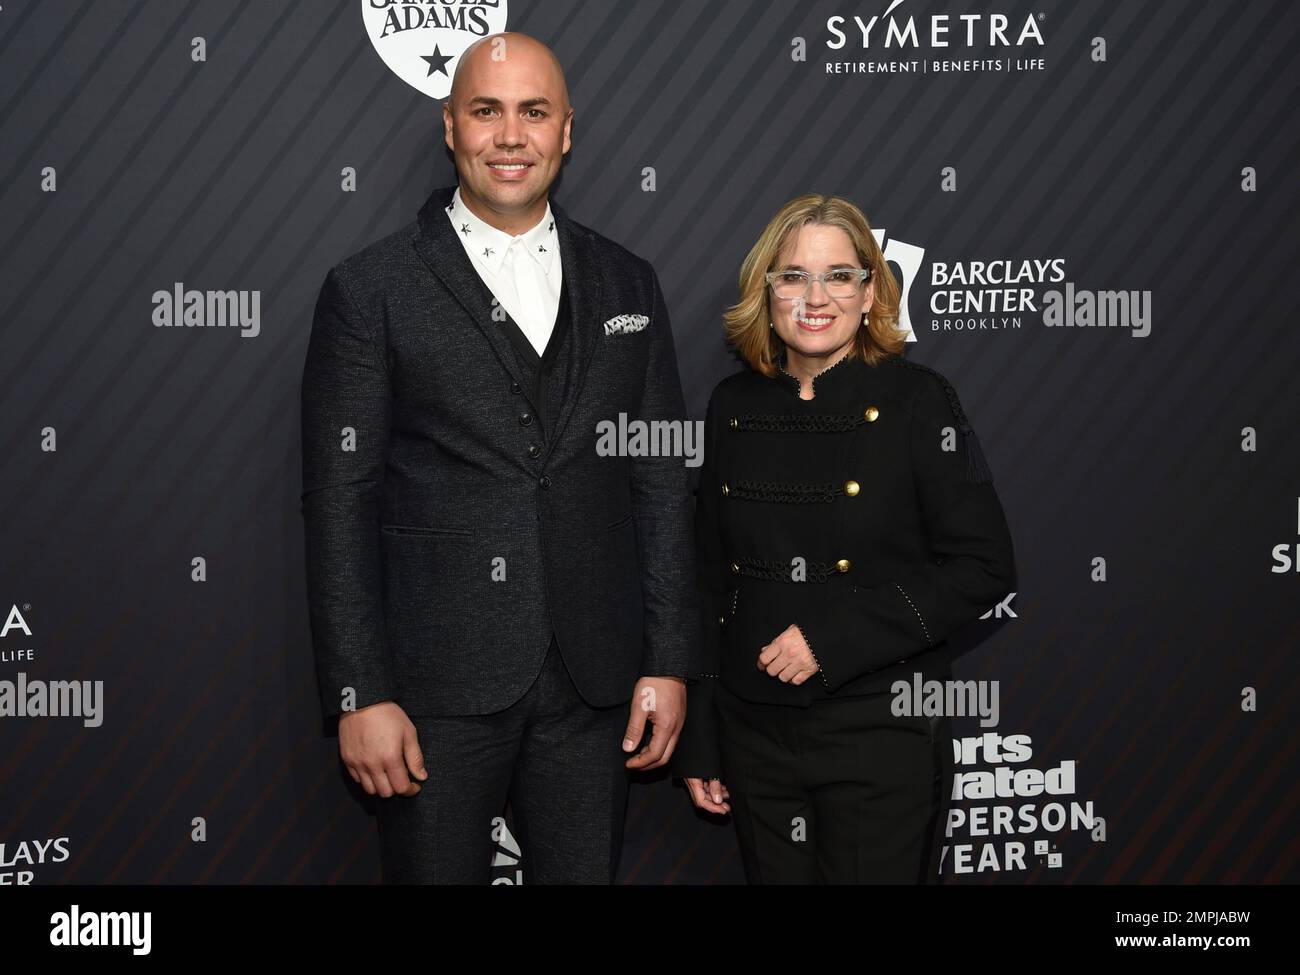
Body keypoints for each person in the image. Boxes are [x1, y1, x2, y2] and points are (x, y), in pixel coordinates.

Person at [300, 32, 697, 884]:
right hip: (433, 690)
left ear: (566, 131)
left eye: (533, 112)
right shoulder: (371, 289)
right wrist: (359, 691)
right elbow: (341, 497)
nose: (510, 135)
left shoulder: (629, 282)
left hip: (596, 686)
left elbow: (660, 482)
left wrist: (667, 659)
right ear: (451, 127)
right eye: (487, 111)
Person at [669, 193, 1016, 884]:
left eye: (839, 275)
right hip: (755, 736)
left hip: (878, 733)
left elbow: (984, 566)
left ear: (870, 292)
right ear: (766, 293)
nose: (815, 295)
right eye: (793, 275)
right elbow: (708, 582)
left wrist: (832, 640)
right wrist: (702, 739)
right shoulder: (732, 406)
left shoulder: (919, 399)